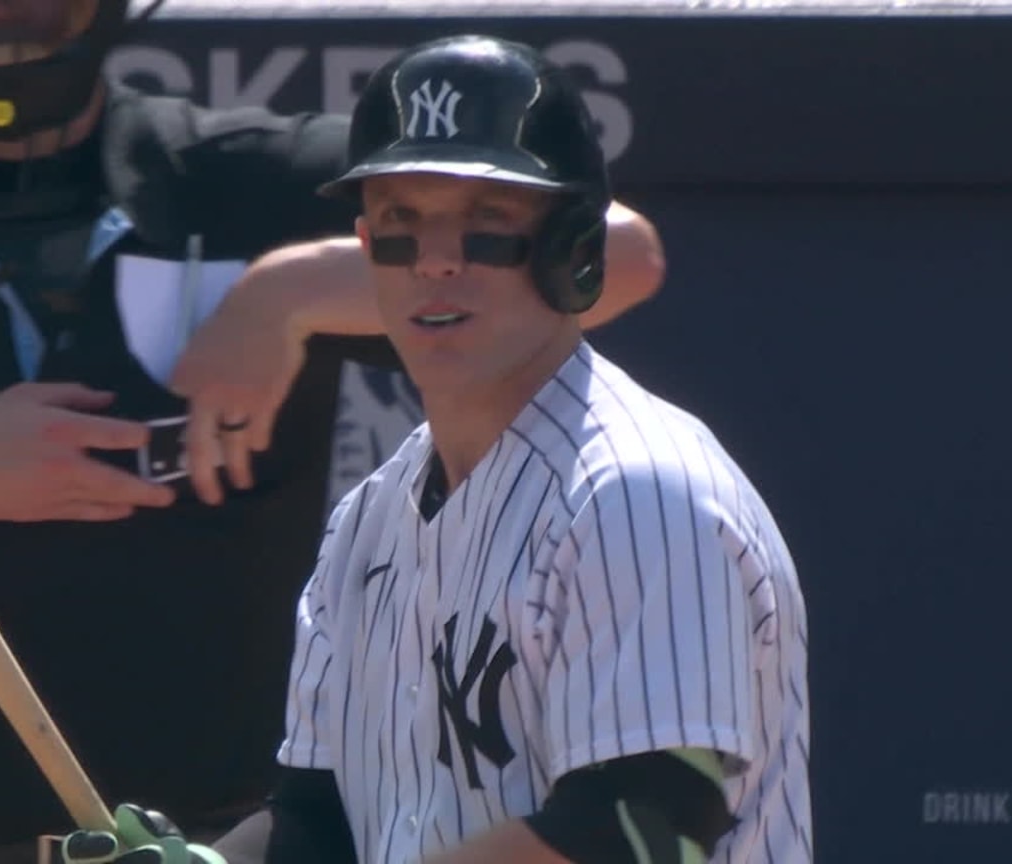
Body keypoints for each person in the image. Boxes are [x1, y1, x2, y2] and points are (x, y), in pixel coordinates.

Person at [0, 2, 666, 861]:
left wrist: (288, 294)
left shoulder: (246, 185)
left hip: (226, 845)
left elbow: (617, 256)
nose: (2, 20)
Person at [55, 34, 811, 864]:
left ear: (577, 254)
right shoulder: (370, 521)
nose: (437, 263)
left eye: (487, 224)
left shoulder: (639, 492)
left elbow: (643, 828)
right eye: (401, 226)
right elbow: (320, 817)